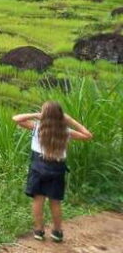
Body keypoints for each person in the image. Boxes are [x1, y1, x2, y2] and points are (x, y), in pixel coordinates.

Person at [13, 101, 92, 242]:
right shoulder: (66, 132)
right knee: (55, 202)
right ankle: (57, 231)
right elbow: (87, 135)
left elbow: (16, 119)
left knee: (38, 200)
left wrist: (37, 115)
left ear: (45, 115)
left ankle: (38, 230)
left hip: (38, 168)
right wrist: (69, 120)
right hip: (57, 170)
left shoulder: (37, 127)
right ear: (60, 116)